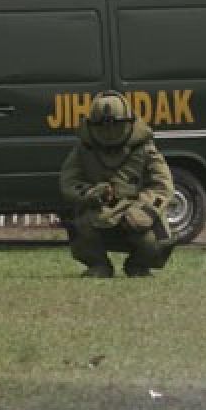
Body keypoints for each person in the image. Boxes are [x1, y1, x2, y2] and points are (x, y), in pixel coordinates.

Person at [59, 90, 175, 278]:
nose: (109, 131)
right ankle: (98, 265)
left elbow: (162, 185)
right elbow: (69, 181)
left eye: (115, 125)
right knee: (80, 227)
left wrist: (143, 210)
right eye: (103, 126)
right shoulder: (84, 149)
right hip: (98, 212)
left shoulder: (145, 148)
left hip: (136, 213)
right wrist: (90, 193)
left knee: (157, 241)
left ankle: (138, 265)